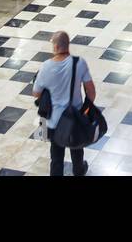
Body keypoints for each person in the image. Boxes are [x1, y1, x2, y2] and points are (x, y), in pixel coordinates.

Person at [32, 32, 96, 177]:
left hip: (54, 122)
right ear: (67, 45)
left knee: (56, 158)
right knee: (77, 150)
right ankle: (79, 171)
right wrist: (86, 108)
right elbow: (91, 90)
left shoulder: (46, 66)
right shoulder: (79, 62)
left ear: (55, 46)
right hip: (75, 118)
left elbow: (36, 93)